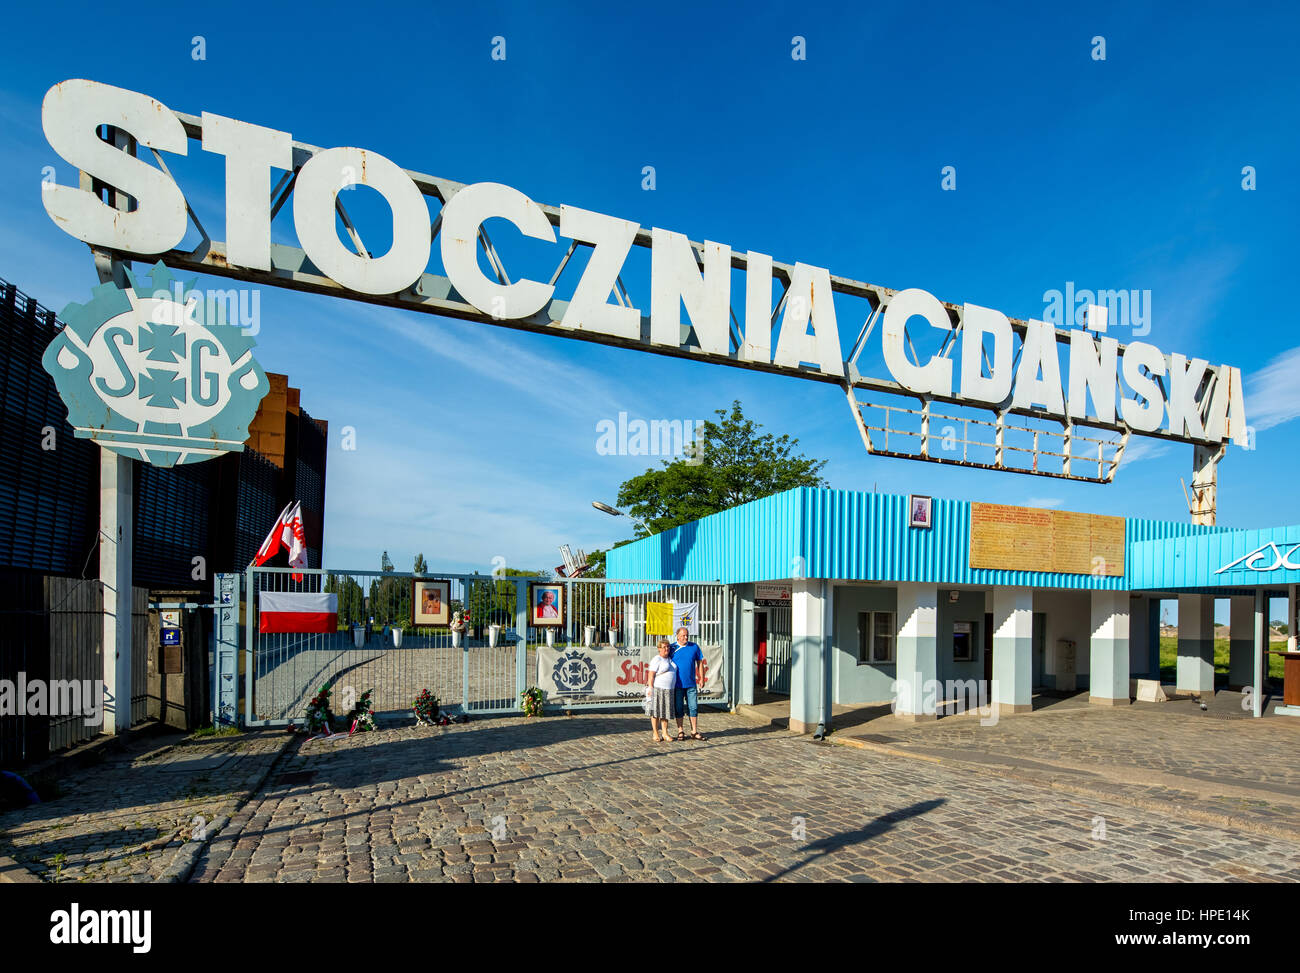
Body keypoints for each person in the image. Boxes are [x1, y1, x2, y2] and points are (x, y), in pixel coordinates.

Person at [671, 625, 706, 740]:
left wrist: (701, 677)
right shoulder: (672, 648)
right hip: (677, 684)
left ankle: (694, 731)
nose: (686, 637)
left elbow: (700, 662)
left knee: (693, 707)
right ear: (677, 636)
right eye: (683, 635)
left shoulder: (694, 647)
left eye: (687, 635)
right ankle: (680, 730)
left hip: (691, 684)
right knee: (679, 708)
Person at [646, 639, 678, 742]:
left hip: (669, 690)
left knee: (665, 713)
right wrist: (650, 688)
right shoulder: (657, 659)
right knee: (656, 712)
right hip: (658, 688)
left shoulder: (670, 659)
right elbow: (651, 675)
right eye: (664, 647)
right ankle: (655, 732)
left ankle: (665, 733)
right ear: (659, 649)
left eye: (668, 647)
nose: (667, 649)